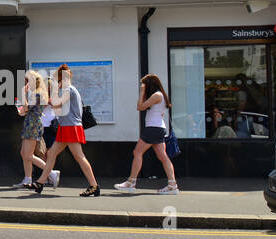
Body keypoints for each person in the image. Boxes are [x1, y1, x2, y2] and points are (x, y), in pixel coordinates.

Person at [31, 65, 100, 196]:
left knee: (79, 157)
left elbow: (58, 104)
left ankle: (94, 185)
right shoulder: (69, 89)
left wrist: (49, 99)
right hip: (66, 127)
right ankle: (40, 182)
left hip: (71, 127)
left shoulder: (69, 90)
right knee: (51, 154)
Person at [114, 74, 179, 194]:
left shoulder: (156, 95)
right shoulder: (160, 95)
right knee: (163, 156)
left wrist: (142, 92)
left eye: (144, 85)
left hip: (153, 128)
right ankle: (172, 184)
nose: (142, 87)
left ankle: (131, 182)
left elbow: (140, 107)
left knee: (137, 152)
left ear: (149, 85)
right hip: (158, 128)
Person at [15, 70, 58, 189]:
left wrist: (22, 94)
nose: (26, 83)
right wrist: (22, 111)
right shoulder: (35, 93)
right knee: (24, 153)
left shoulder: (37, 94)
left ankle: (51, 173)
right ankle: (27, 179)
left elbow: (26, 107)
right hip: (30, 123)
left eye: (28, 80)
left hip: (33, 125)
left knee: (28, 155)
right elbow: (26, 110)